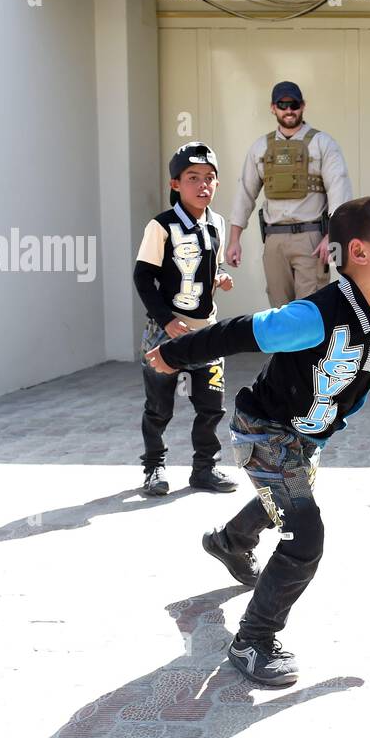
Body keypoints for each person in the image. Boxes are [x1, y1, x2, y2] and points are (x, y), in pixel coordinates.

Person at [144, 196, 370, 687]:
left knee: (285, 495)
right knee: (305, 536)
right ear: (359, 252)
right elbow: (238, 332)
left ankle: (230, 541)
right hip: (264, 428)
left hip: (306, 436)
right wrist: (177, 353)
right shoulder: (317, 313)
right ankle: (253, 639)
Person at [132, 142, 239, 496]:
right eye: (193, 178)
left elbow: (213, 265)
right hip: (166, 333)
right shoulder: (160, 227)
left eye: (209, 178)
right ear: (175, 184)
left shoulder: (218, 224)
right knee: (159, 407)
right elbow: (143, 277)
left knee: (211, 406)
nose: (202, 185)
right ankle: (154, 468)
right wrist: (165, 320)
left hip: (206, 332)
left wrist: (219, 277)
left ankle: (205, 469)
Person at [226, 81, 354, 308]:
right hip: (274, 239)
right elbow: (245, 191)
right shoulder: (260, 148)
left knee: (311, 308)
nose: (289, 110)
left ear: (303, 105)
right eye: (282, 104)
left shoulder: (322, 143)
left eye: (293, 104)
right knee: (279, 310)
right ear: (273, 107)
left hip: (311, 237)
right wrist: (234, 239)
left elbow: (339, 188)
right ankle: (284, 347)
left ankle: (312, 346)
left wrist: (332, 235)